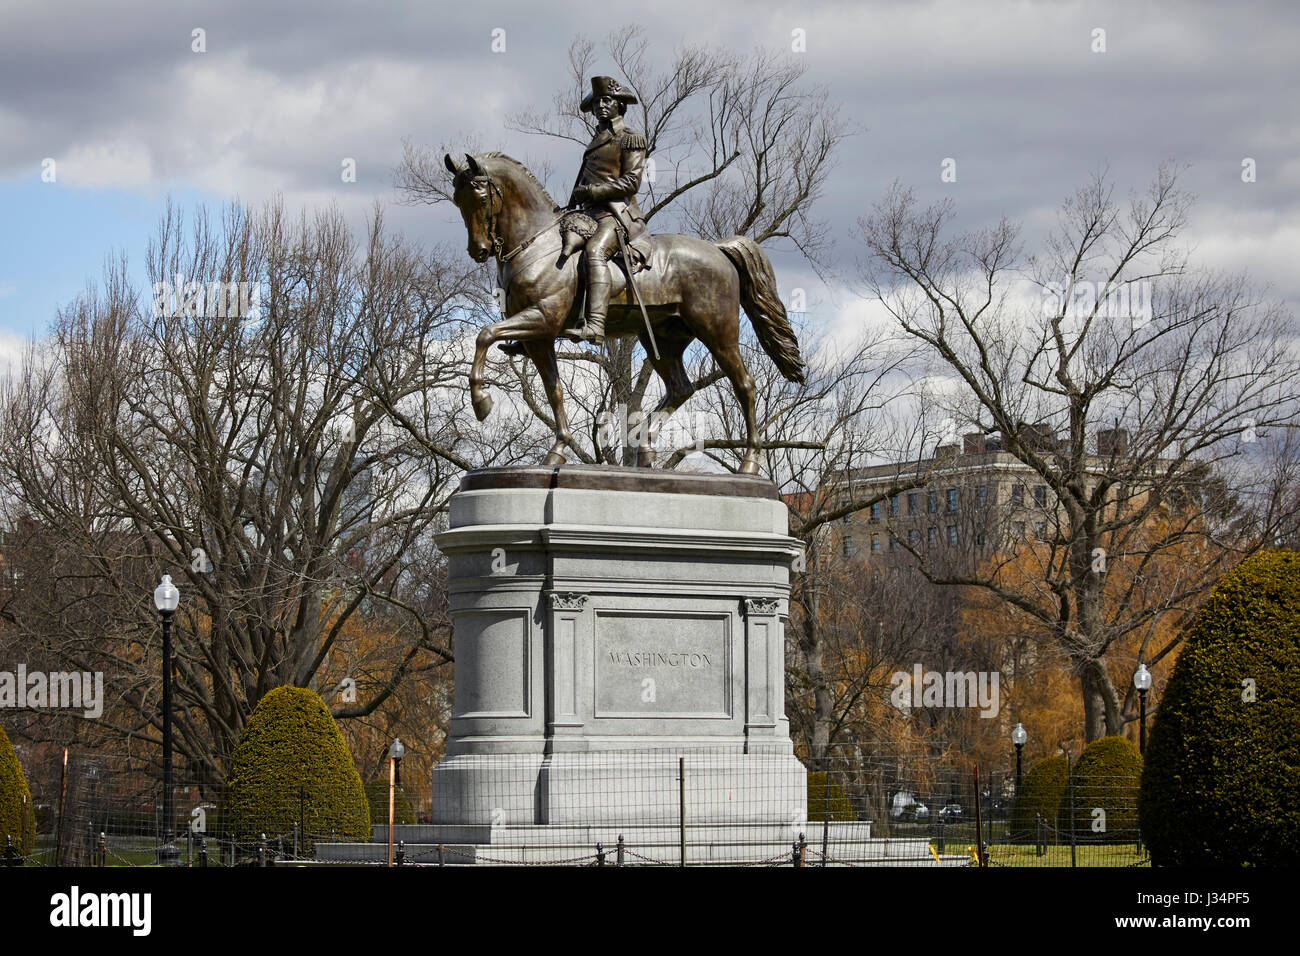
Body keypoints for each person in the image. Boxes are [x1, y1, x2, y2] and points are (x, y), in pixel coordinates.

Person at [562, 75, 652, 347]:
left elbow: (631, 182)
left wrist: (592, 192)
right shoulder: (596, 139)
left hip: (616, 216)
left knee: (595, 252)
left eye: (607, 100)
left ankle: (596, 326)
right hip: (588, 214)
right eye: (597, 102)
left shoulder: (630, 139)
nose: (601, 106)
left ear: (619, 105)